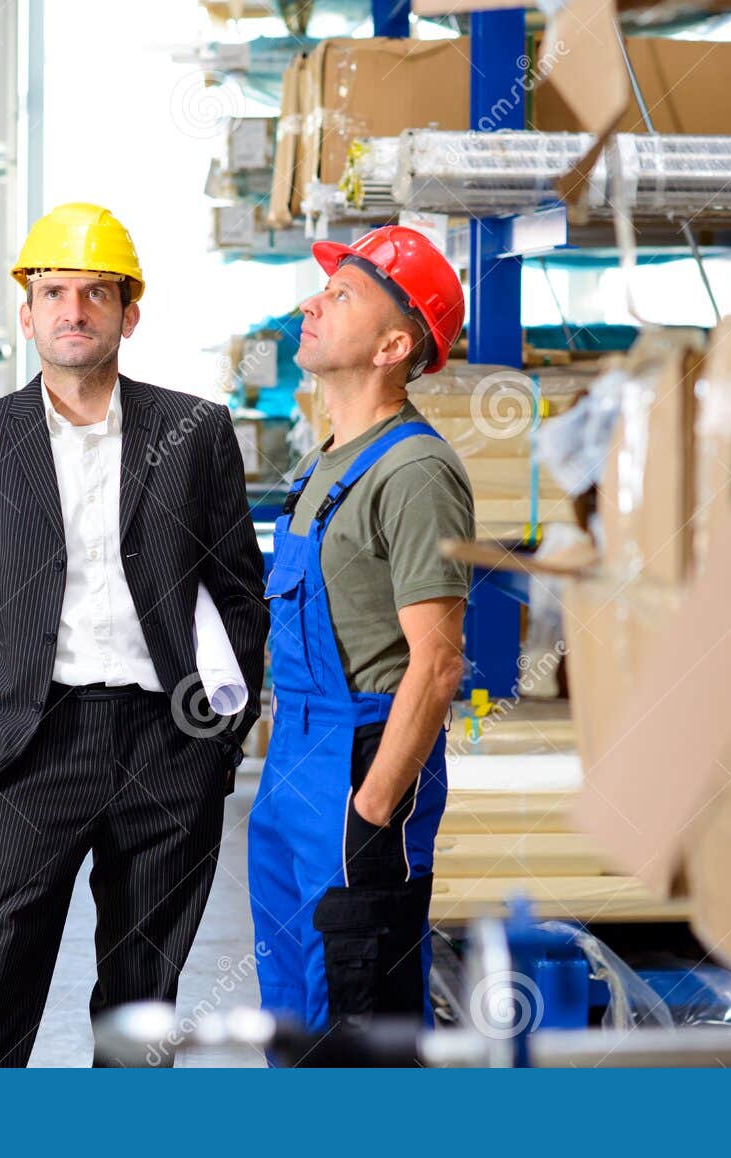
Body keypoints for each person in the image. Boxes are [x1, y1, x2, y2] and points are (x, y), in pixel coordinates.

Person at [0, 202, 267, 1066]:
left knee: (142, 1003)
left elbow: (241, 594)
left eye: (96, 293)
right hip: (33, 743)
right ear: (26, 313)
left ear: (128, 314)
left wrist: (215, 743)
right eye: (54, 291)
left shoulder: (195, 432)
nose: (74, 310)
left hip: (166, 743)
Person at [248, 225, 472, 1041]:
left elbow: (439, 662)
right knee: (293, 1002)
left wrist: (374, 805)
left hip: (357, 761)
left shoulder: (413, 471)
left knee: (357, 1011)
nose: (313, 301)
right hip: (295, 763)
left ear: (393, 344)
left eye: (341, 294)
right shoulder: (328, 462)